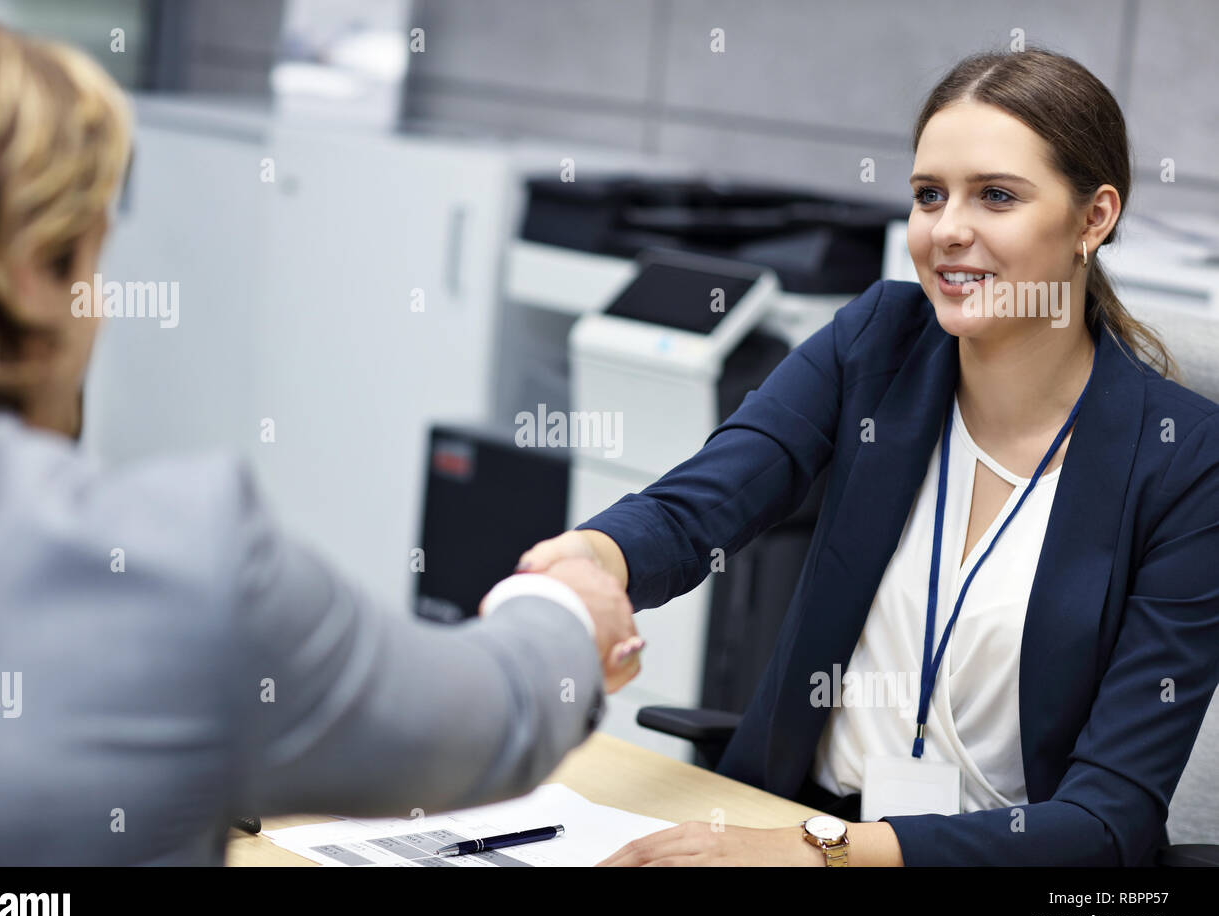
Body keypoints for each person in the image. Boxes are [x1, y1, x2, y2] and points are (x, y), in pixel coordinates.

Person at [0, 12, 642, 865]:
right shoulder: (169, 556)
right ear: (38, 277)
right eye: (93, 262)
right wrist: (565, 612)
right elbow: (482, 718)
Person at [519, 48, 1219, 867]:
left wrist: (828, 852)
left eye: (996, 195)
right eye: (929, 195)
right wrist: (589, 561)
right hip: (789, 822)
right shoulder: (877, 343)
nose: (947, 229)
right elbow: (699, 504)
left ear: (1094, 219)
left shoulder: (1184, 464)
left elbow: (1108, 825)